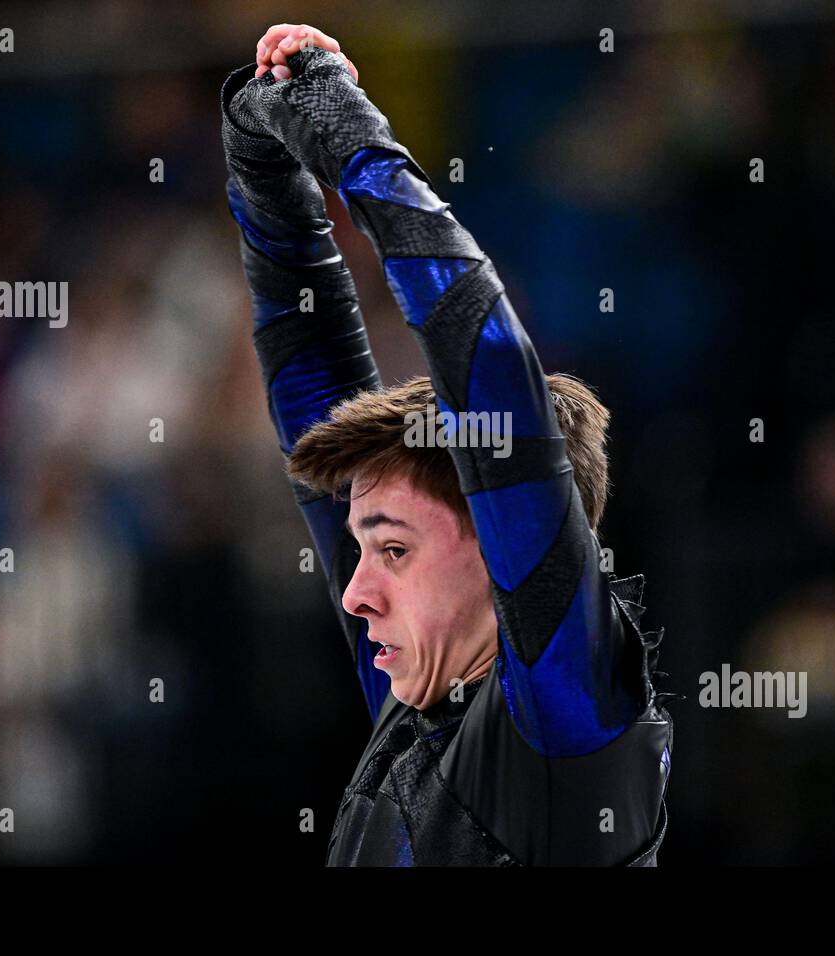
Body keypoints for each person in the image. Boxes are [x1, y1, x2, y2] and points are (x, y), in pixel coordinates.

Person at [220, 24, 674, 865]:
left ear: (502, 552)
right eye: (363, 548)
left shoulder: (561, 724)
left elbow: (490, 362)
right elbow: (312, 386)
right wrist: (267, 176)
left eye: (393, 549)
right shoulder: (424, 690)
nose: (354, 595)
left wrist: (351, 134)